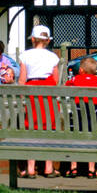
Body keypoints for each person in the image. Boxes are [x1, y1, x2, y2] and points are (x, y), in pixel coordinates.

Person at [19, 24, 61, 177]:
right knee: (48, 129)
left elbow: (22, 79)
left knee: (32, 130)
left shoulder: (25, 55)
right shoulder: (53, 57)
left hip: (32, 93)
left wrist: (22, 99)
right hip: (48, 94)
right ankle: (48, 167)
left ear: (33, 39)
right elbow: (56, 80)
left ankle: (30, 168)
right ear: (48, 40)